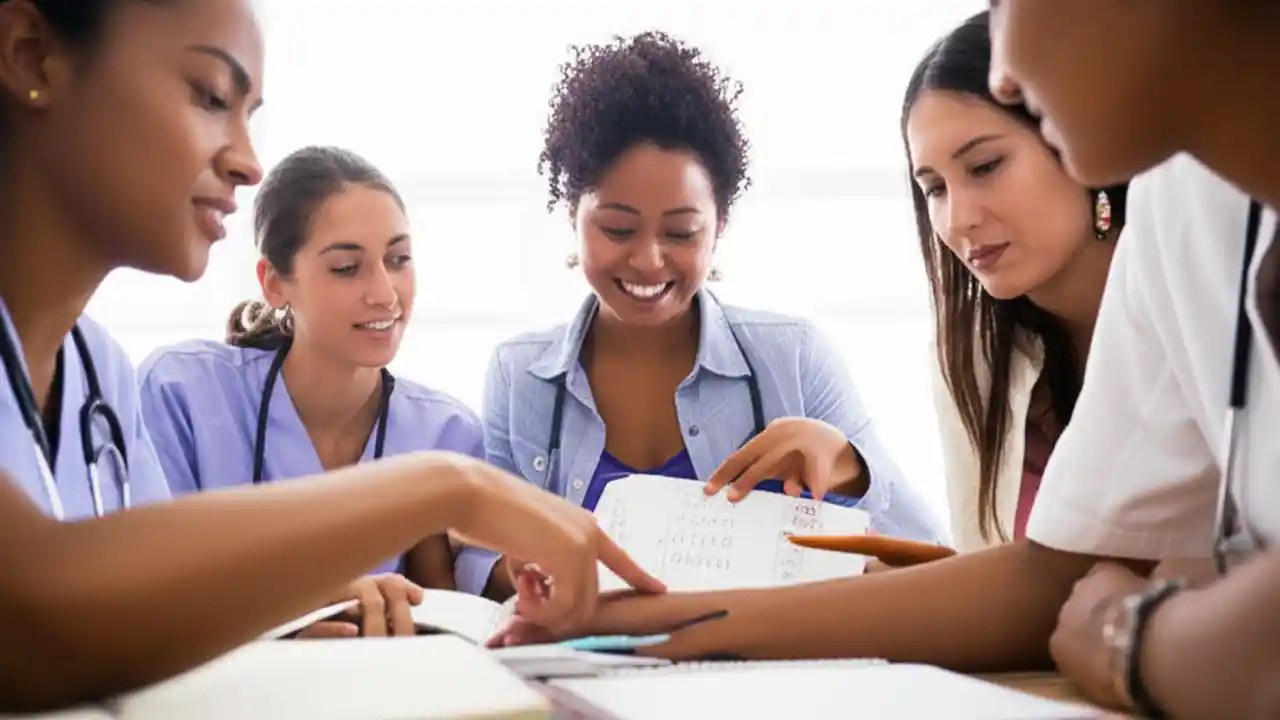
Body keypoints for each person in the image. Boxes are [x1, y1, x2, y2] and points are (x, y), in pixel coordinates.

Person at [493, 8, 1280, 718]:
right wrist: (616, 623)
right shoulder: (1182, 212)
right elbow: (1046, 581)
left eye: (985, 165)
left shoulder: (792, 353)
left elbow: (1058, 591)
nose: (1003, 64)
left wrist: (1132, 634)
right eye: (931, 186)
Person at [0, 0, 659, 711]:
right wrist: (446, 487)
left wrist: (299, 606)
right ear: (34, 55)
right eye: (210, 96)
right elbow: (31, 620)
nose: (248, 162)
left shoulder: (99, 374)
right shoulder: (181, 388)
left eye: (249, 114)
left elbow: (132, 613)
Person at [458, 30, 944, 598]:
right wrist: (524, 572)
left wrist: (848, 466)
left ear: (720, 228)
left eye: (681, 232)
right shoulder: (520, 375)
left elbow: (931, 557)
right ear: (573, 213)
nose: (647, 259)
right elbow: (477, 559)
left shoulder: (793, 358)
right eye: (617, 228)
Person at [139, 146, 474, 633]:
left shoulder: (446, 431)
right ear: (275, 283)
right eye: (346, 268)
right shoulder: (182, 393)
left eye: (398, 259)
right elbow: (144, 590)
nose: (385, 293)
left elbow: (449, 622)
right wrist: (282, 614)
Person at [901, 12, 1127, 551]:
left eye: (984, 167)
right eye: (934, 189)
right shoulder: (971, 353)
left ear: (1073, 136)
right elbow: (986, 571)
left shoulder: (1196, 300)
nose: (957, 220)